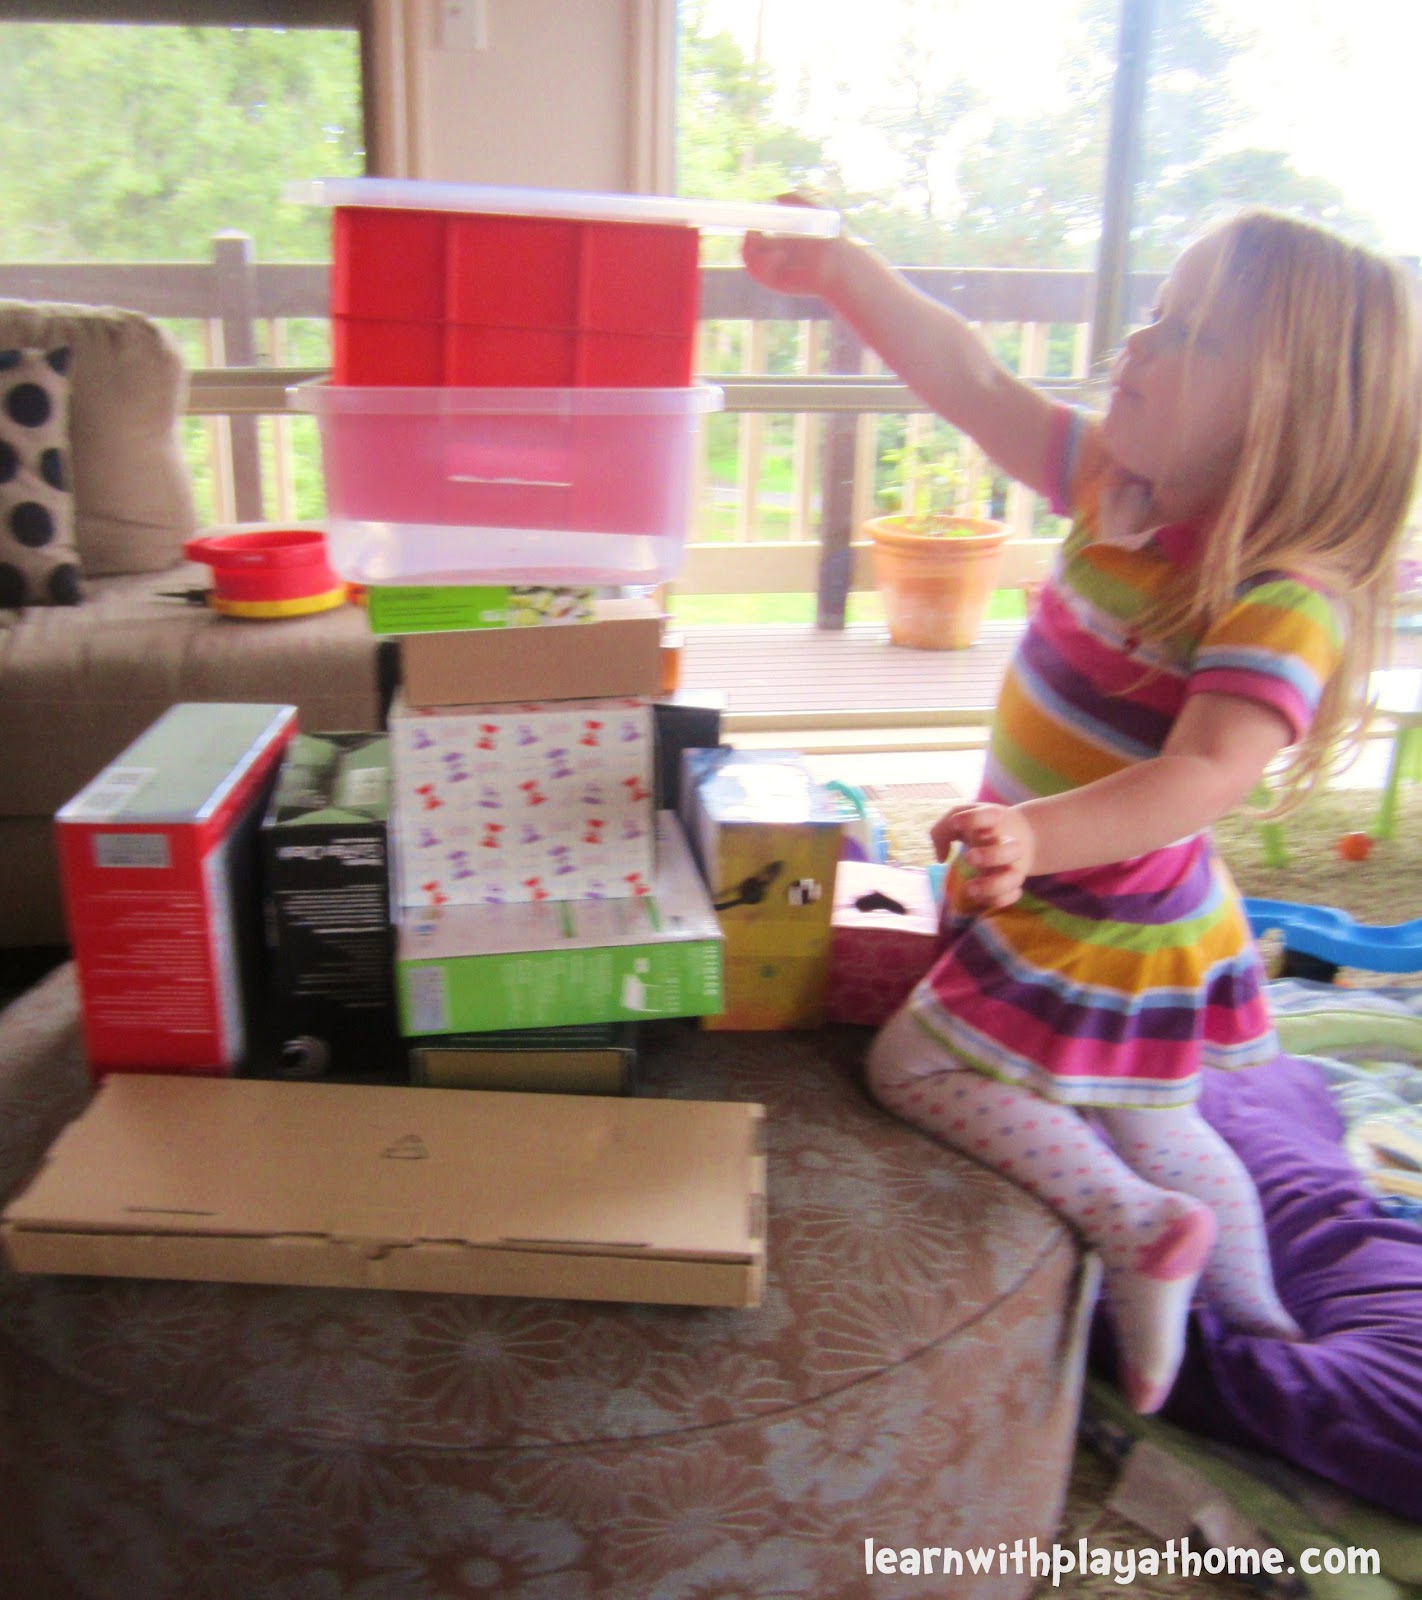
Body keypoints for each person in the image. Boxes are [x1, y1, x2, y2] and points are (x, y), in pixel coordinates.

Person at [742, 203, 1422, 1412]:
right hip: (1073, 882)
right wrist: (846, 273)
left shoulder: (1283, 597)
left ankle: (1136, 1229)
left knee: (917, 1068)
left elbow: (1207, 772)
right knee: (1155, 1113)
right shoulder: (1120, 485)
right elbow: (973, 374)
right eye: (1154, 314)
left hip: (1103, 905)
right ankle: (1257, 1323)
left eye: (1190, 334)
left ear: (1292, 410)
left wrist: (1036, 834)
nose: (1139, 345)